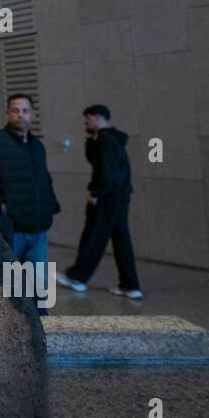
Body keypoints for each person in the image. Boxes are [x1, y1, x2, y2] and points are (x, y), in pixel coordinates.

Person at [0, 93, 61, 310]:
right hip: (12, 229)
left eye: (24, 111)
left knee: (38, 289)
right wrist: (0, 208)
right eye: (15, 110)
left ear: (32, 115)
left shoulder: (37, 146)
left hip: (38, 229)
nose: (20, 115)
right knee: (9, 287)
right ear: (7, 113)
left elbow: (44, 180)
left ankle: (41, 336)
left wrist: (50, 207)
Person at [56, 104, 141, 298]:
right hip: (119, 196)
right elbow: (97, 162)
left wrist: (96, 192)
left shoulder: (104, 139)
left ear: (96, 117)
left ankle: (78, 277)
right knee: (121, 241)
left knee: (94, 235)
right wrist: (89, 140)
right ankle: (130, 285)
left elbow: (105, 171)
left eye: (87, 118)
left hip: (108, 197)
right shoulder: (110, 139)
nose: (85, 122)